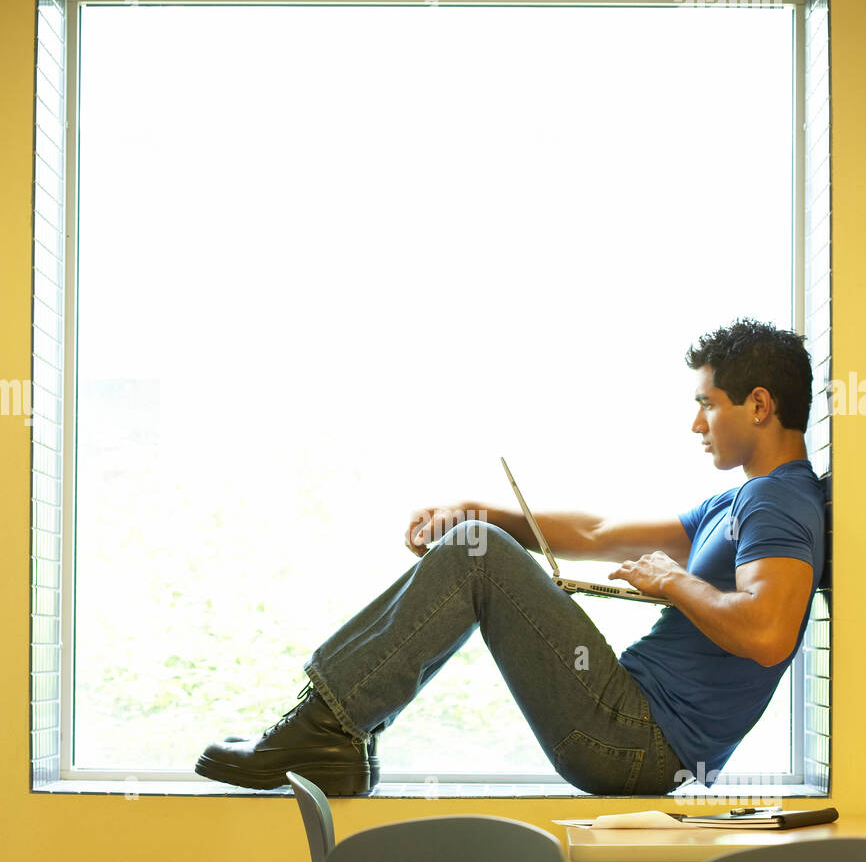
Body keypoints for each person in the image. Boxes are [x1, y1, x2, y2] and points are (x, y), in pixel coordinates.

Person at [195, 318, 825, 798]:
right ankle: (332, 735)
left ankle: (325, 732)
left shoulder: (777, 502)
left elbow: (768, 633)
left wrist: (674, 584)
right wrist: (477, 511)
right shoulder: (738, 501)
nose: (696, 424)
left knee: (479, 555)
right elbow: (599, 531)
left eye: (707, 404)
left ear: (759, 405)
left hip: (638, 740)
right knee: (479, 544)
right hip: (629, 726)